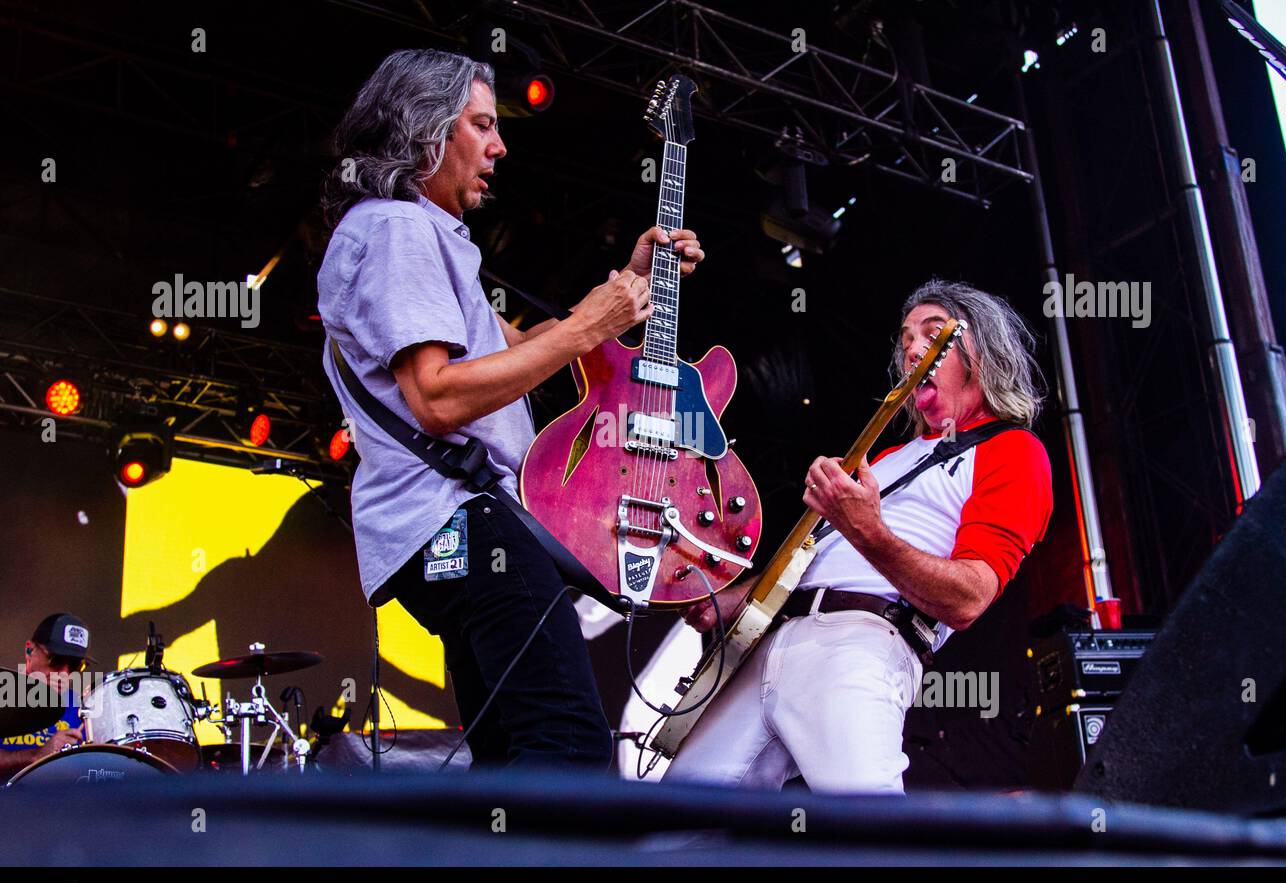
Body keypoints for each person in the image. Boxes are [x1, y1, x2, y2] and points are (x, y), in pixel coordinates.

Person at [318, 50, 705, 770]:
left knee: (508, 752)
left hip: (446, 529)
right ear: (423, 129)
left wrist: (629, 284)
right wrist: (590, 323)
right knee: (567, 744)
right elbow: (436, 397)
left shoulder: (418, 237)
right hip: (459, 514)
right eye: (482, 125)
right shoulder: (398, 231)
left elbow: (521, 352)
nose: (500, 145)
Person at [665, 279, 1053, 794]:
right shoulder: (889, 458)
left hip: (861, 643)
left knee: (868, 836)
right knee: (676, 829)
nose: (913, 347)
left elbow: (968, 597)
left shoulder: (1014, 451)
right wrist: (734, 599)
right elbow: (818, 556)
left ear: (983, 352)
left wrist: (866, 528)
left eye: (933, 334)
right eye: (906, 338)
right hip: (773, 642)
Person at [0, 613, 90, 781]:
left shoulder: (84, 712)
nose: (64, 673)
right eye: (56, 660)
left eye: (74, 665)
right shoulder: (4, 692)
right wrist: (35, 755)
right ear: (29, 650)